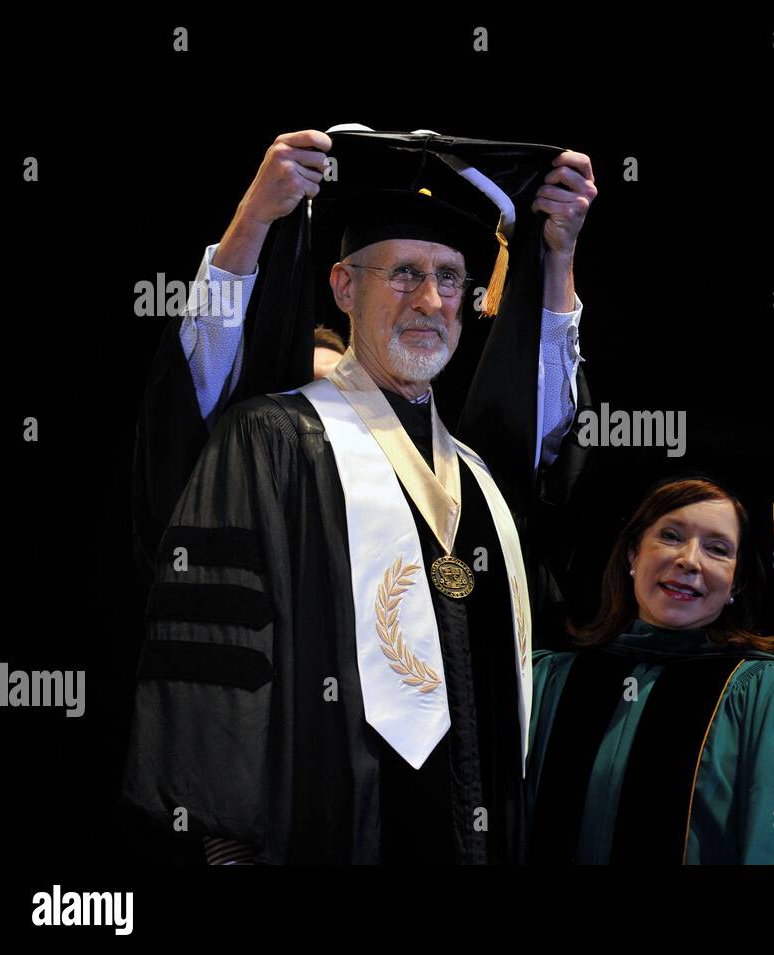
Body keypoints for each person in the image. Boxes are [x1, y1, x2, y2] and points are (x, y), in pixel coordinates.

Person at [121, 129, 598, 865]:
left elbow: (550, 433)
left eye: (448, 278)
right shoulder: (275, 438)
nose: (431, 299)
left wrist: (557, 255)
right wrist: (252, 221)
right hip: (328, 826)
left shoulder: (476, 476)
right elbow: (185, 414)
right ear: (344, 287)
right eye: (404, 273)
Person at [526, 478, 774, 864]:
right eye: (671, 536)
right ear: (632, 555)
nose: (689, 561)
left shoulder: (771, 696)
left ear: (736, 583)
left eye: (718, 549)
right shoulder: (549, 680)